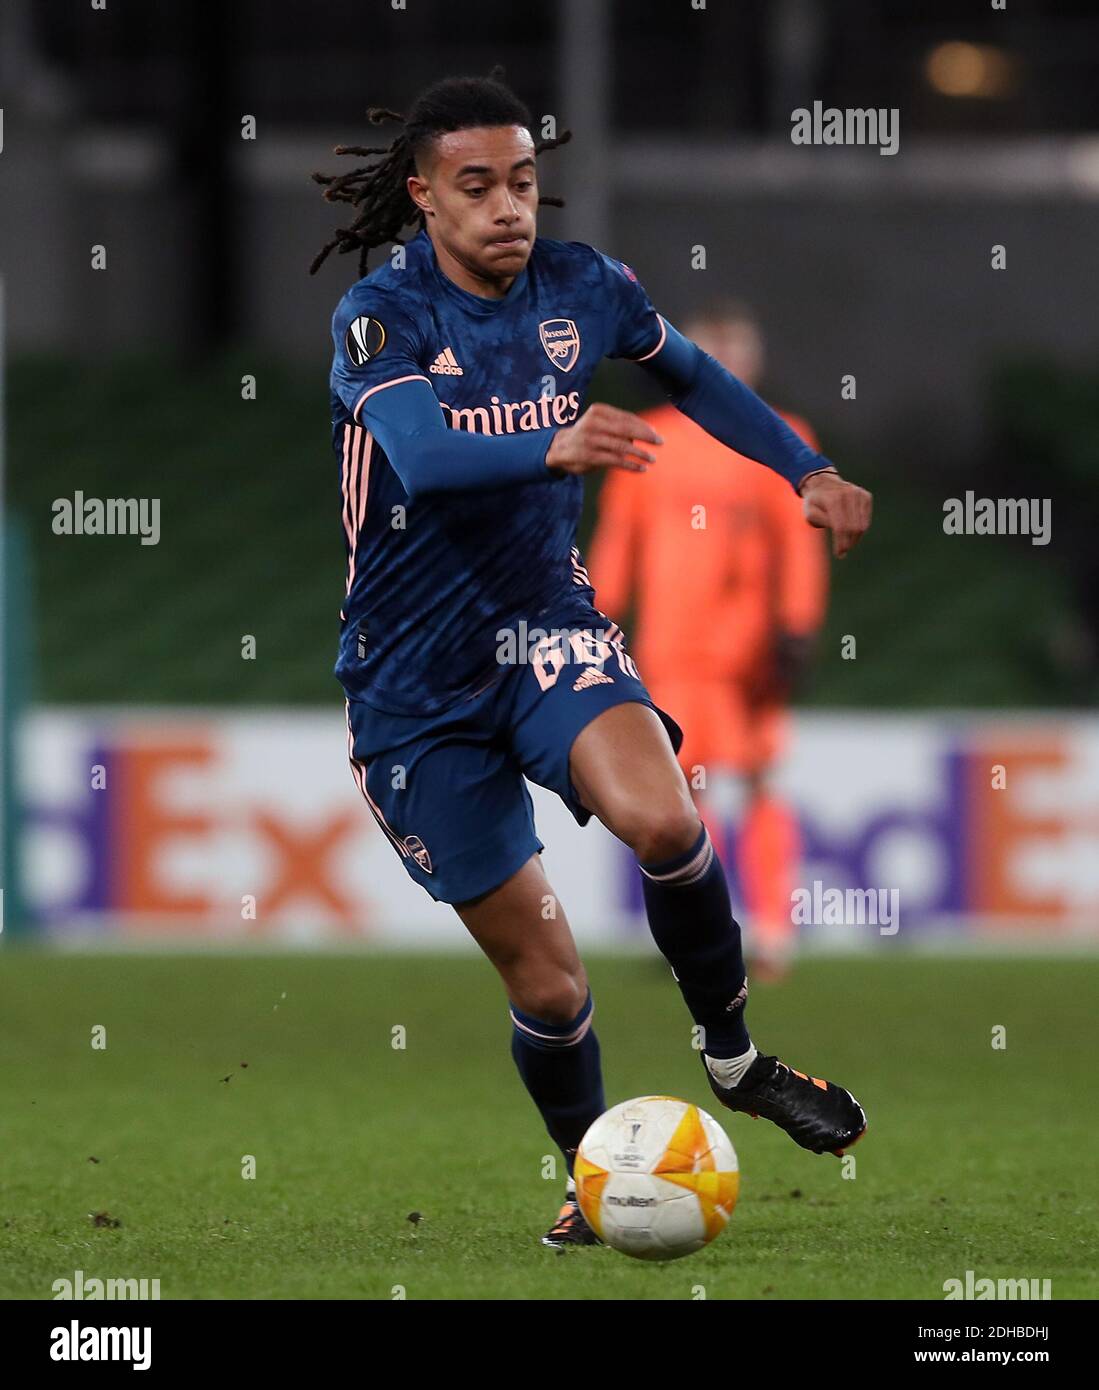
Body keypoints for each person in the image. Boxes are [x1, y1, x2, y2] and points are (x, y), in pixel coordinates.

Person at [310, 70, 872, 1248]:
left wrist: (799, 469)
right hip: (412, 683)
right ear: (423, 196)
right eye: (477, 186)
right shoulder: (382, 315)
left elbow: (695, 379)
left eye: (522, 180)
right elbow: (420, 457)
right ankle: (590, 1168)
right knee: (554, 990)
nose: (509, 206)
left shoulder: (583, 286)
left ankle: (732, 1057)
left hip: (543, 631)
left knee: (665, 821)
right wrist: (548, 436)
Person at [589, 303, 829, 981]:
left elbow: (797, 544)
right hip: (669, 646)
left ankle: (774, 933)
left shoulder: (779, 438)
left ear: (753, 359)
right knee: (680, 795)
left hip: (750, 652)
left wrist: (798, 625)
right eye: (711, 345)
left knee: (758, 783)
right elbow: (616, 548)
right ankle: (703, 938)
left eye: (735, 344)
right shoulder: (648, 440)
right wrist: (598, 623)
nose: (725, 356)